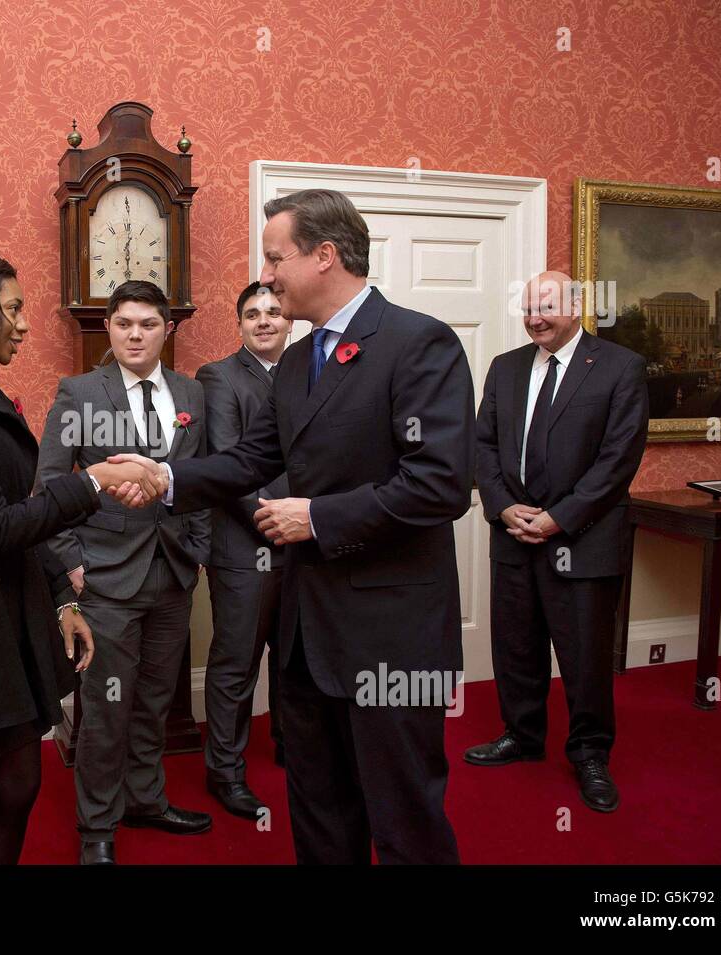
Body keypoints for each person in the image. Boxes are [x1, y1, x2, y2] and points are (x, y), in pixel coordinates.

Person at [114, 189, 474, 864]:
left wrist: (319, 516)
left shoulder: (418, 343)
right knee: (319, 810)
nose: (269, 275)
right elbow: (254, 459)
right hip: (309, 638)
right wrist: (168, 478)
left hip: (389, 640)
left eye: (277, 258)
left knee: (403, 820)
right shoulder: (300, 363)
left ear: (325, 256)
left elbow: (441, 483)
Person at [0, 253, 155, 865]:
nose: (22, 324)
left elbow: (23, 507)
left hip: (9, 608)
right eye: (12, 309)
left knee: (18, 781)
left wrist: (62, 597)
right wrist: (90, 484)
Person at [36, 279, 213, 865]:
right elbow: (50, 488)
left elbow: (205, 481)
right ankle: (97, 826)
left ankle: (146, 799)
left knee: (155, 700)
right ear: (109, 329)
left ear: (168, 329)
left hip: (173, 574)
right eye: (124, 324)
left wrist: (200, 548)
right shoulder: (79, 391)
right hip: (106, 579)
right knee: (106, 706)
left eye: (148, 324)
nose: (135, 334)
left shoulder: (191, 392)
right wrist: (70, 563)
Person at [466, 271, 648, 813]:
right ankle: (521, 736)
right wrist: (502, 507)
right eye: (528, 308)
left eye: (546, 306)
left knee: (584, 656)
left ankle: (590, 753)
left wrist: (558, 519)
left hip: (584, 540)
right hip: (514, 535)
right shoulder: (506, 368)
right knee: (516, 646)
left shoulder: (619, 367)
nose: (535, 318)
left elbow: (618, 461)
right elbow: (483, 447)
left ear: (576, 307)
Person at [195, 281, 292, 818]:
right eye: (252, 313)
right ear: (239, 324)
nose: (264, 321)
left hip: (304, 541)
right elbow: (228, 469)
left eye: (274, 312)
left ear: (289, 320)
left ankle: (290, 745)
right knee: (235, 665)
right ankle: (225, 771)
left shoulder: (308, 372)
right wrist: (274, 521)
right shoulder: (220, 377)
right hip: (244, 545)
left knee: (294, 658)